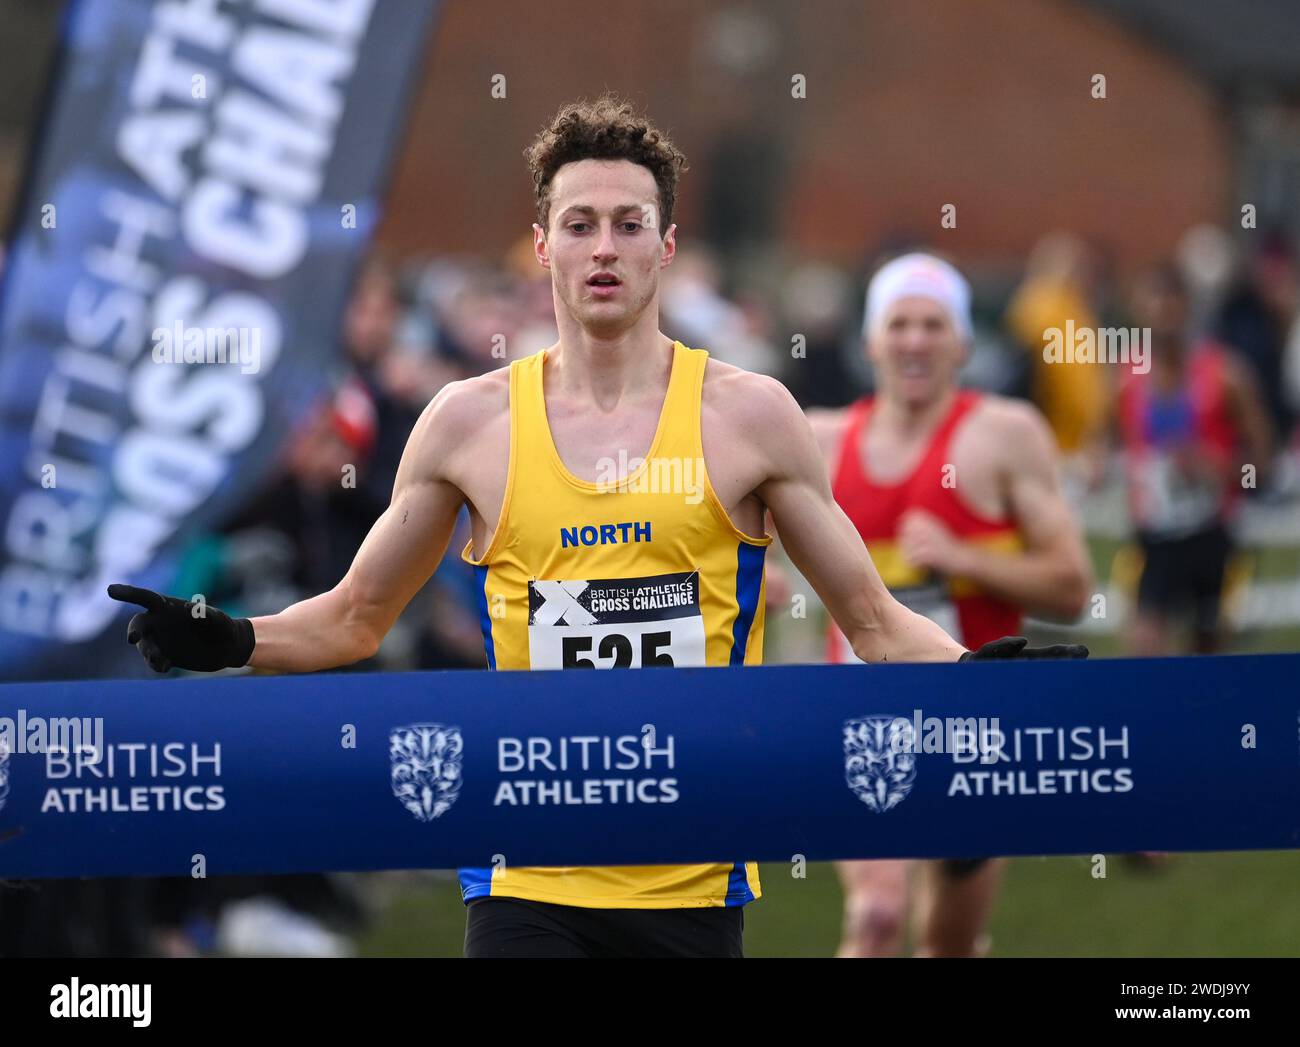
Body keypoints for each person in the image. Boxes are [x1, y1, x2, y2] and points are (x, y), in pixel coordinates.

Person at [108, 96, 1085, 959]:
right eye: (580, 225)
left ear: (666, 247)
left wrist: (973, 678)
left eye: (629, 224)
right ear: (543, 247)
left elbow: (870, 621)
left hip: (691, 873)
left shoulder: (748, 418)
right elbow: (356, 616)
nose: (605, 248)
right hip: (528, 874)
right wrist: (230, 637)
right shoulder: (468, 423)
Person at [808, 252, 1093, 958]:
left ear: (963, 343)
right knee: (876, 914)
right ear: (871, 340)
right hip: (863, 718)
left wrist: (964, 559)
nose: (914, 341)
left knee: (947, 945)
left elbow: (1072, 587)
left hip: (976, 724)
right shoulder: (820, 440)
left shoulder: (1004, 434)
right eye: (898, 324)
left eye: (934, 325)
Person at [1118, 264, 1273, 657]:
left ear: (1186, 309)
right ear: (1138, 311)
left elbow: (1264, 459)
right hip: (1153, 538)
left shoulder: (1226, 374)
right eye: (1151, 306)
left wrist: (1218, 467)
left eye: (1170, 306)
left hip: (1212, 535)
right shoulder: (1126, 379)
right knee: (1144, 648)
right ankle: (1150, 719)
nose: (1160, 318)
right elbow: (1097, 445)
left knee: (1208, 657)